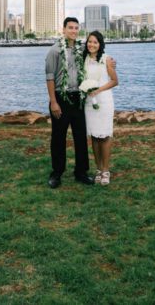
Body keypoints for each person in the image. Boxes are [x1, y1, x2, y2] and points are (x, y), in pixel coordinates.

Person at [45, 17, 115, 188]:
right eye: (70, 28)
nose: (74, 31)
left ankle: (81, 172)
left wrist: (110, 62)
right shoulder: (54, 51)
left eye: (76, 28)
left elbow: (95, 54)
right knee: (58, 137)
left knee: (81, 136)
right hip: (61, 97)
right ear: (63, 29)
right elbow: (50, 78)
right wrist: (53, 102)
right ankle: (57, 173)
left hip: (79, 98)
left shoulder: (80, 49)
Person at [81, 30, 118, 185]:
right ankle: (98, 168)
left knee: (105, 135)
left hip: (104, 101)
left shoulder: (106, 59)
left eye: (95, 42)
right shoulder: (84, 59)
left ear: (100, 44)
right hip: (89, 103)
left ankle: (106, 170)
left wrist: (98, 90)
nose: (92, 44)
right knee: (94, 137)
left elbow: (115, 81)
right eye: (90, 41)